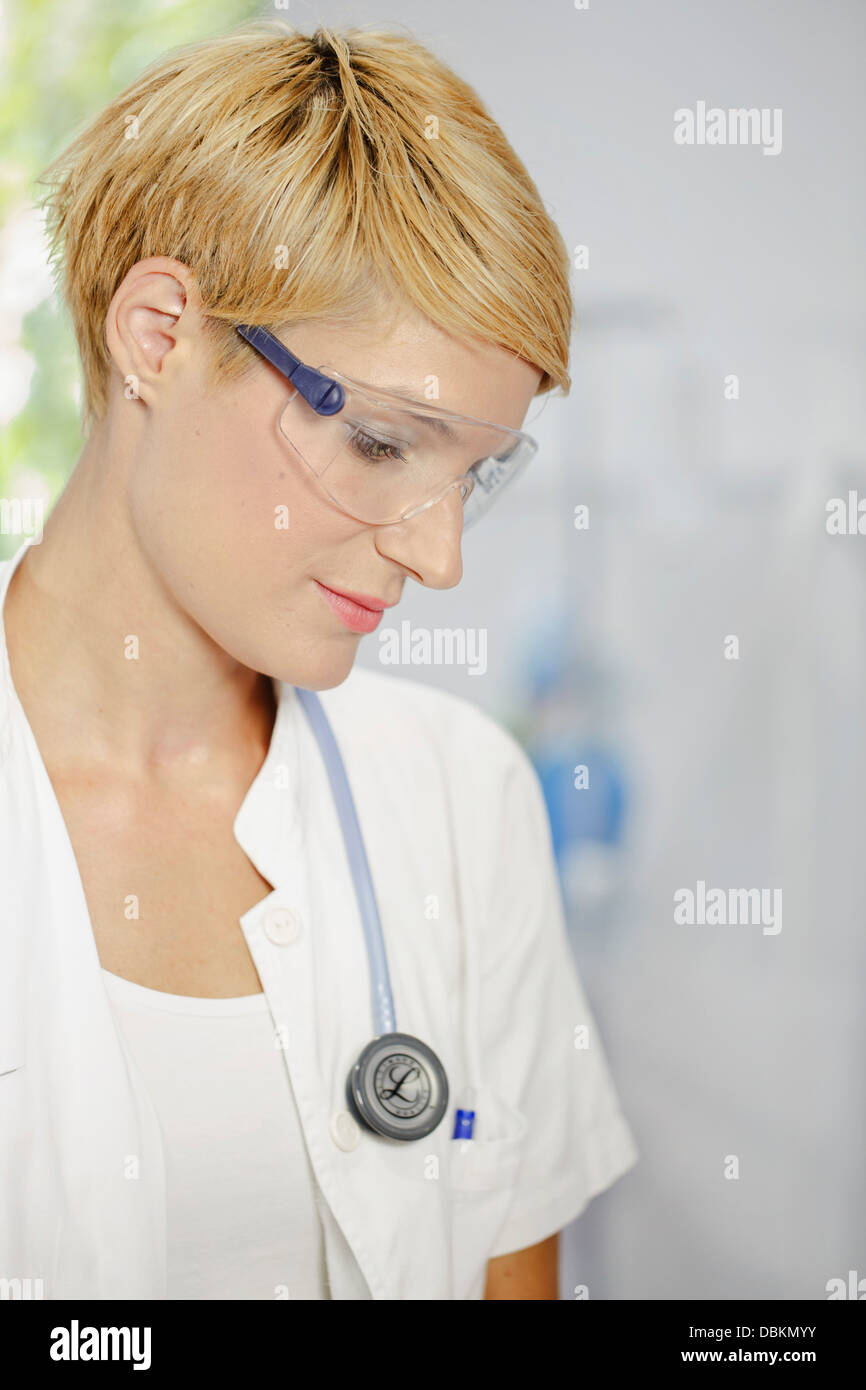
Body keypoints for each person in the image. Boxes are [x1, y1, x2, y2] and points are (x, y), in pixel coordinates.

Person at [0, 20, 638, 1301]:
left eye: (476, 474)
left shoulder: (461, 801)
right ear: (159, 335)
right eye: (387, 447)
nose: (441, 557)